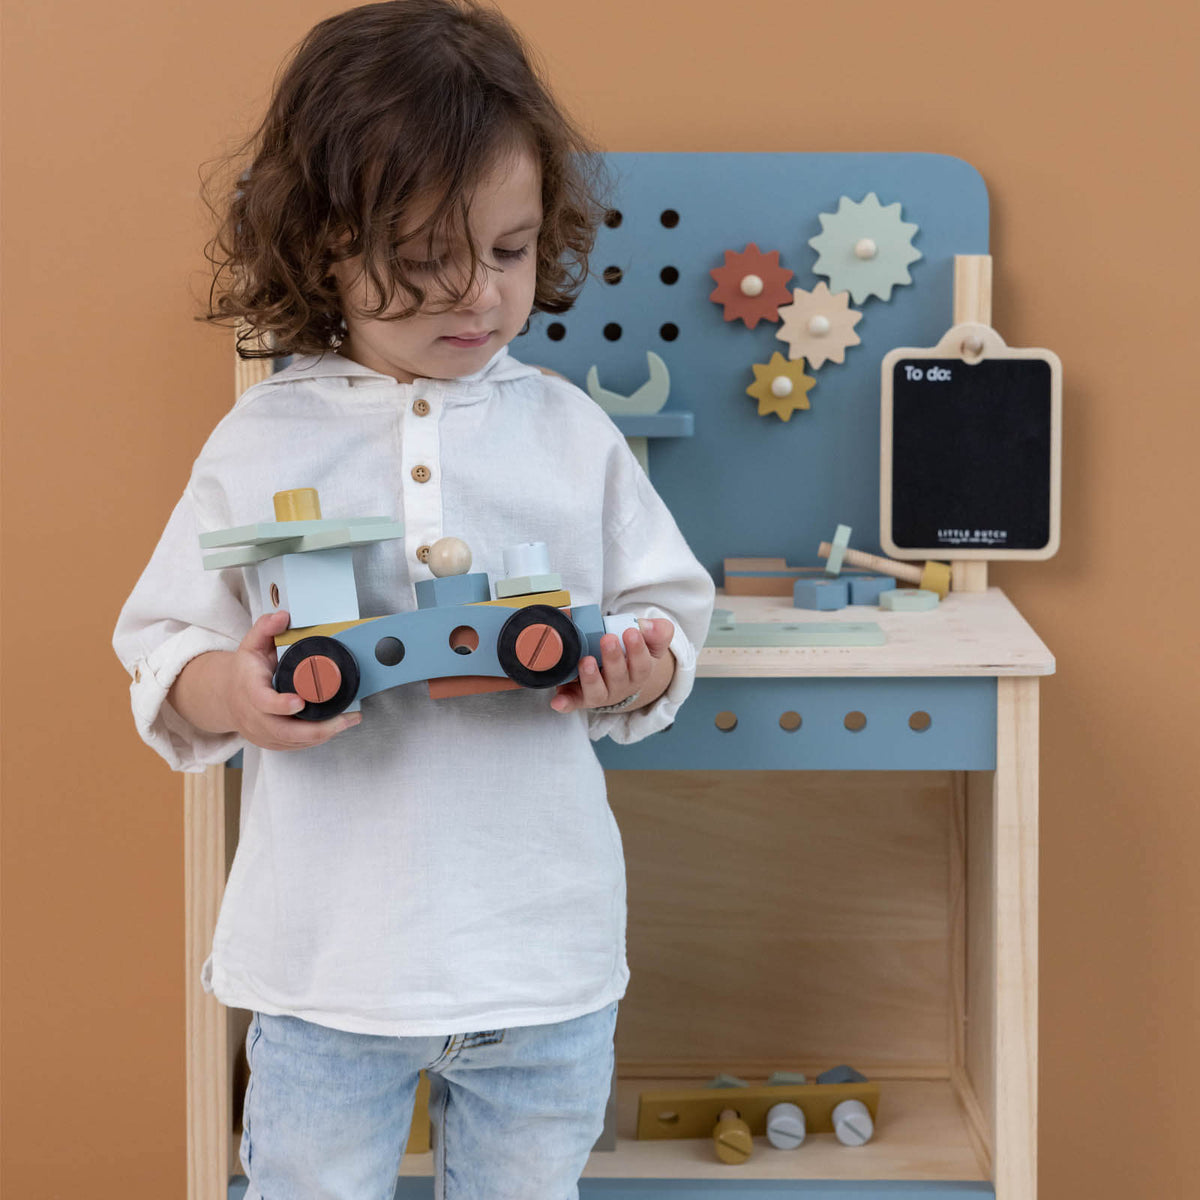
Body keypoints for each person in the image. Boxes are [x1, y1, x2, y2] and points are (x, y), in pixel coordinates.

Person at [112, 2, 715, 1197]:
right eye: (426, 258)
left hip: (543, 965)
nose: (478, 295)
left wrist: (640, 661)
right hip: (333, 972)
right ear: (326, 244)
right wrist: (232, 685)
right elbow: (162, 637)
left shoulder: (567, 430)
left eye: (506, 250)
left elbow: (666, 606)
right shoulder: (263, 435)